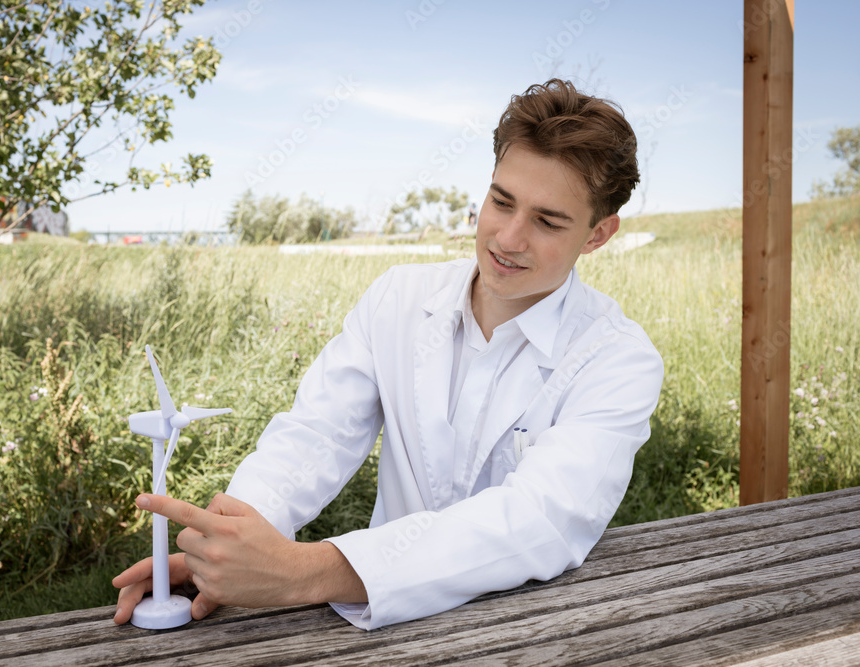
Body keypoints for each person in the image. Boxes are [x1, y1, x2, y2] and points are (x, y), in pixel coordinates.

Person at [113, 78, 664, 631]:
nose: (508, 237)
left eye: (547, 221)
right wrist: (230, 543)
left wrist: (306, 571)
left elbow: (538, 521)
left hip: (527, 632)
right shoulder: (398, 299)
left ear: (598, 234)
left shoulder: (617, 359)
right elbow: (317, 435)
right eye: (501, 201)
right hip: (382, 633)